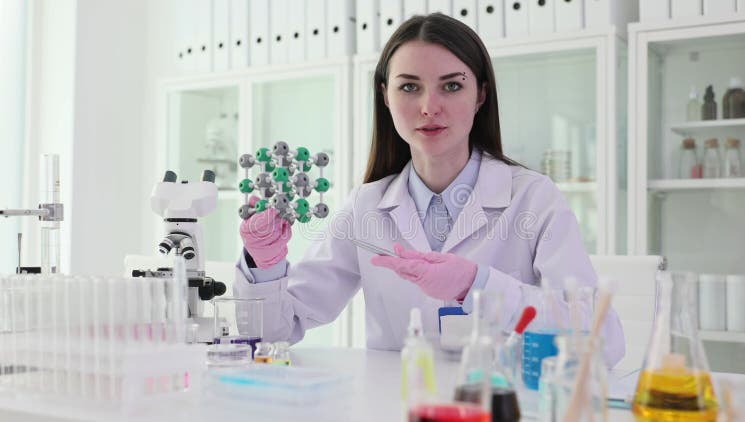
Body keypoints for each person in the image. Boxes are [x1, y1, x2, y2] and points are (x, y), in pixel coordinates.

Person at [234, 13, 623, 366]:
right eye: (409, 87)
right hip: (394, 404)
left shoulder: (533, 198)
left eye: (451, 86)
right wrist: (265, 266)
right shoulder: (365, 207)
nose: (429, 107)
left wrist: (478, 285)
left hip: (498, 402)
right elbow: (274, 334)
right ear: (385, 96)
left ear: (480, 94)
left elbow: (603, 340)